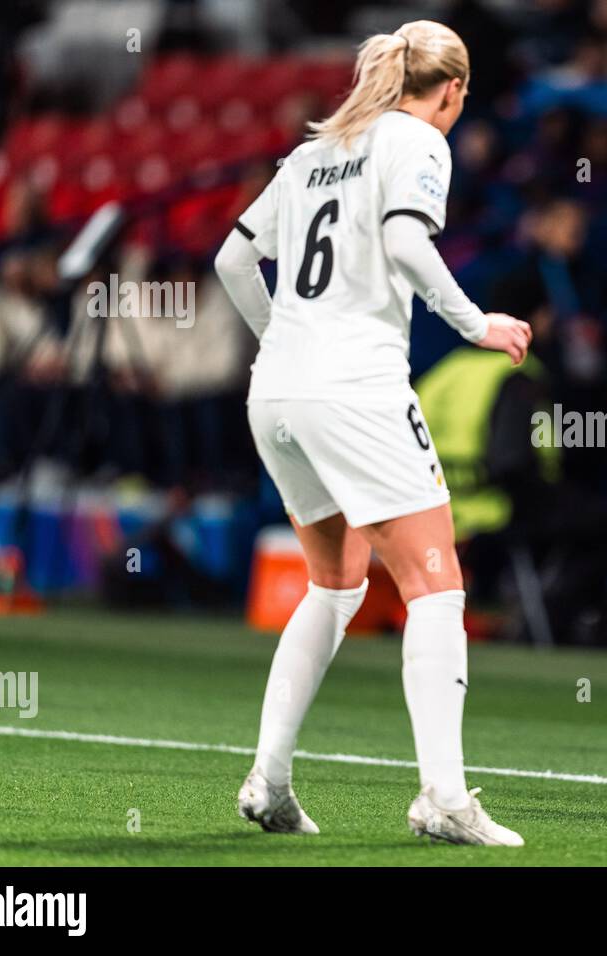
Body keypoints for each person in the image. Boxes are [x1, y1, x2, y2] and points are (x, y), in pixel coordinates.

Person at [213, 20, 530, 846]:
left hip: (276, 394)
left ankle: (269, 782)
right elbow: (403, 240)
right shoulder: (418, 141)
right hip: (356, 391)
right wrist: (474, 323)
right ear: (453, 91)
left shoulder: (316, 150)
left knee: (336, 583)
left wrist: (283, 337)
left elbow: (231, 261)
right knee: (438, 586)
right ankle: (444, 799)